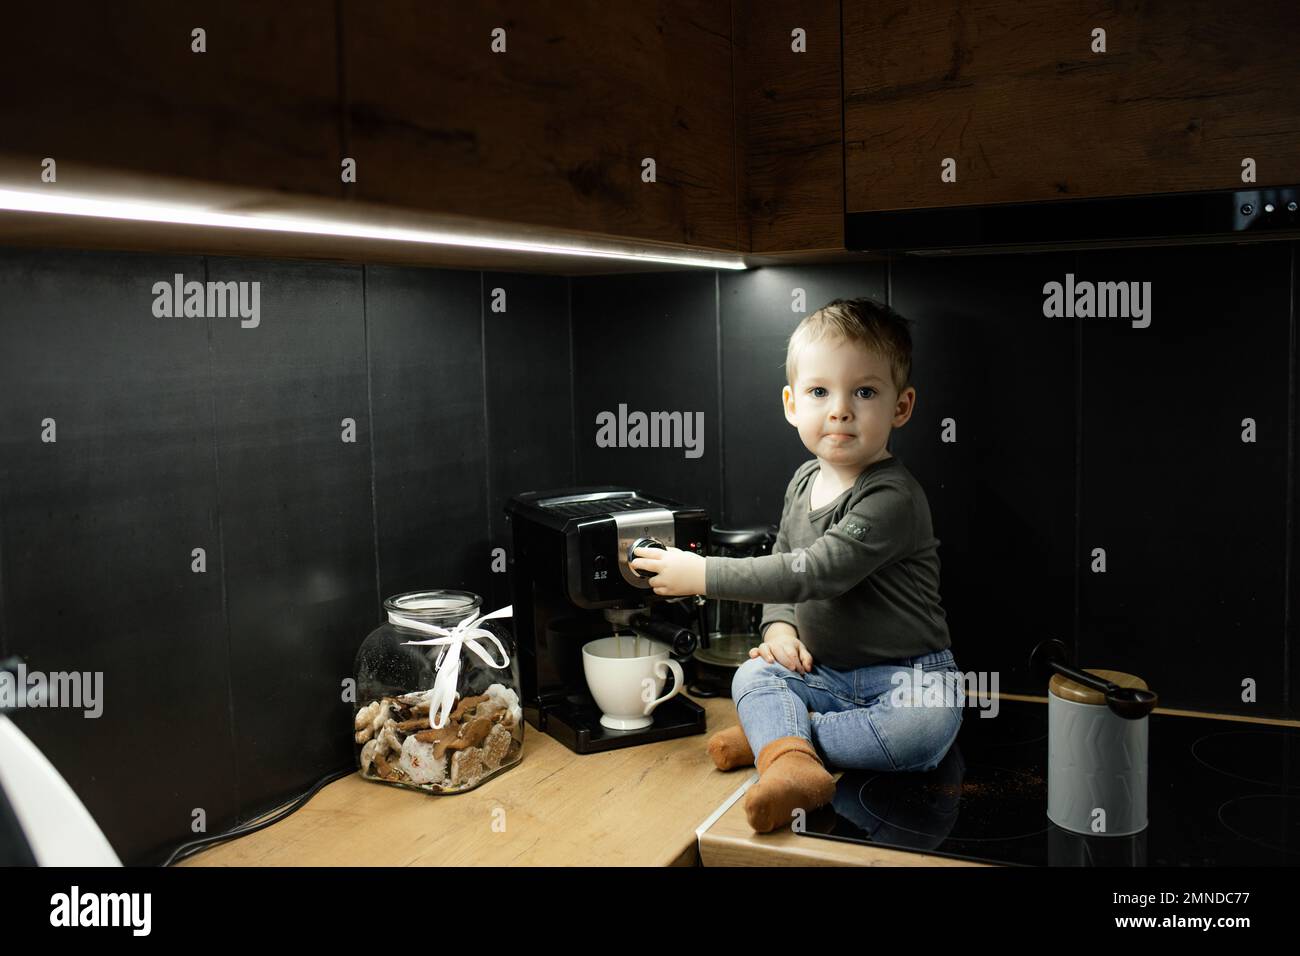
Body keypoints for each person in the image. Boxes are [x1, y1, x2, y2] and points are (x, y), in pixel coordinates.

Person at [630, 297, 964, 833]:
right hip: (823, 675)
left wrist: (703, 574)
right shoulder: (804, 481)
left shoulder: (893, 497)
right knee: (753, 674)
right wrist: (779, 626)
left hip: (907, 677)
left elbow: (813, 571)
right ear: (791, 403)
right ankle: (788, 753)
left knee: (923, 729)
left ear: (901, 407)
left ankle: (784, 743)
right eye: (819, 392)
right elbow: (783, 558)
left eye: (864, 392)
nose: (840, 409)